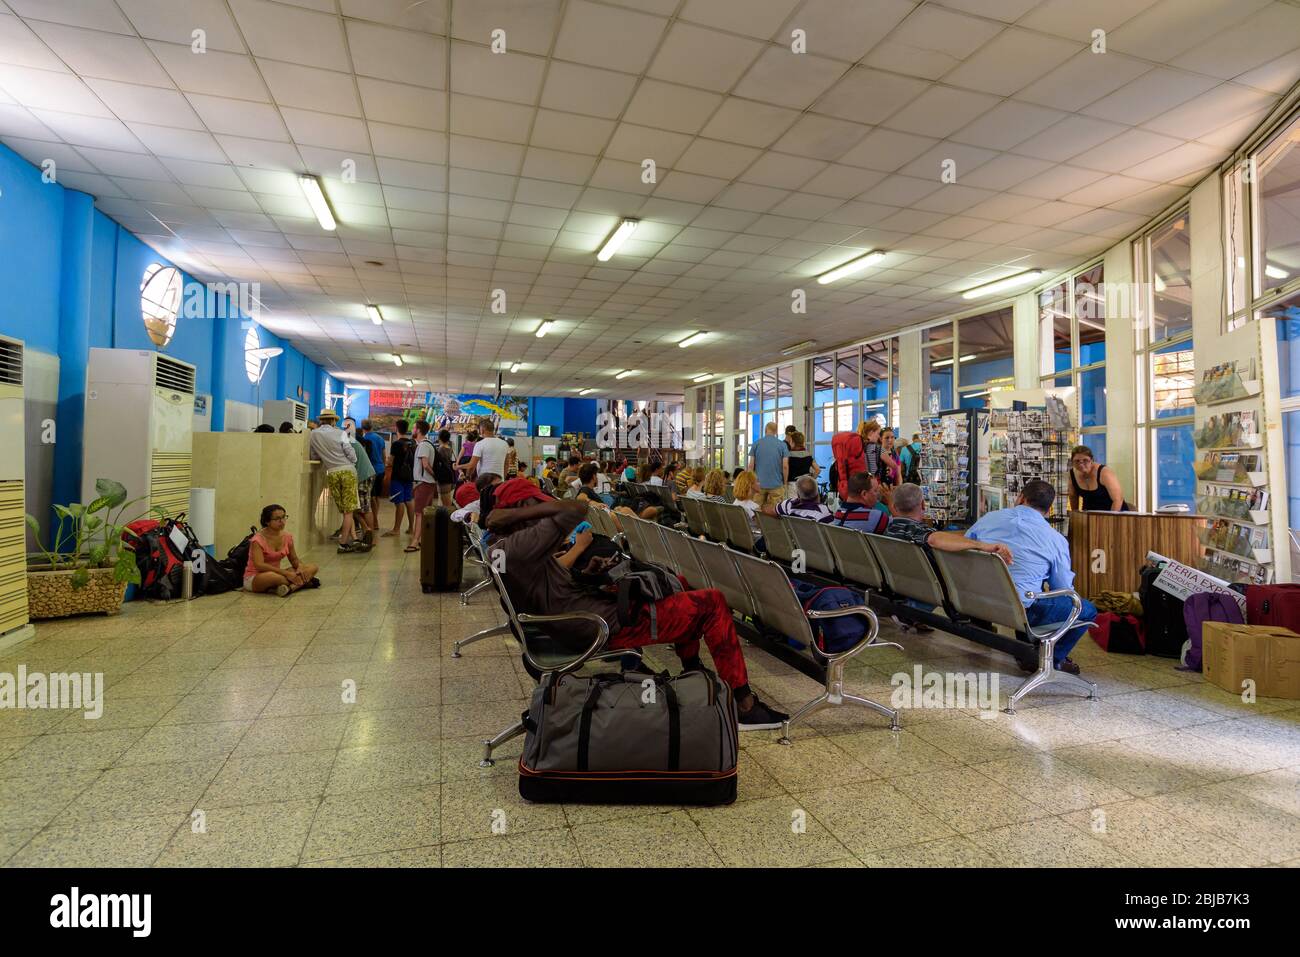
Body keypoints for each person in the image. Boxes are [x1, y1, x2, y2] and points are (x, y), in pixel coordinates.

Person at [485, 480, 789, 730]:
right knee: (712, 602)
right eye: (535, 504)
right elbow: (578, 508)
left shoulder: (505, 546)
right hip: (599, 626)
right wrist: (517, 514)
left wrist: (585, 571)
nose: (543, 508)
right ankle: (744, 704)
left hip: (576, 617)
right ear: (524, 510)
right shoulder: (518, 543)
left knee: (678, 583)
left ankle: (693, 676)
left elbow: (544, 582)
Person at [966, 479, 1097, 675]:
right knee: (1086, 608)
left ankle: (1026, 650)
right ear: (1049, 508)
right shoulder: (1055, 539)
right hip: (1019, 610)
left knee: (1026, 588)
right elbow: (1062, 589)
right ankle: (1050, 659)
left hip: (976, 600)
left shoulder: (989, 518)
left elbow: (965, 547)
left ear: (1021, 498)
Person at [885, 482, 1012, 629]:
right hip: (929, 587)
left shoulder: (892, 528)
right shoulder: (917, 530)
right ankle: (977, 624)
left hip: (903, 582)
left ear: (894, 507)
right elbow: (933, 539)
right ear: (923, 505)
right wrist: (981, 545)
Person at [309, 408, 366, 554]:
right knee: (349, 510)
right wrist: (352, 460)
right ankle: (343, 544)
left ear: (321, 420)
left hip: (332, 473)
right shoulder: (341, 433)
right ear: (334, 420)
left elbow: (314, 456)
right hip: (347, 471)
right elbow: (351, 454)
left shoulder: (313, 434)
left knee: (345, 510)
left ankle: (354, 538)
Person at [244, 504, 320, 595]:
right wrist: (286, 573)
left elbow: (294, 559)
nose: (282, 521)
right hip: (257, 577)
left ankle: (290, 588)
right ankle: (304, 582)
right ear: (267, 522)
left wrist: (300, 567)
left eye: (284, 517)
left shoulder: (287, 537)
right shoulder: (257, 540)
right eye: (277, 519)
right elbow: (260, 565)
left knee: (313, 567)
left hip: (278, 573)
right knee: (274, 577)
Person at [407, 419, 438, 553]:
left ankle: (415, 542)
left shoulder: (423, 445)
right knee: (424, 513)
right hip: (428, 483)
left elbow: (425, 465)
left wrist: (434, 475)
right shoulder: (428, 444)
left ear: (418, 430)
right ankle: (421, 539)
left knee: (419, 513)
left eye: (414, 428)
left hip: (424, 483)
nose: (412, 430)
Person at [385, 418, 416, 538]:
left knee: (399, 502)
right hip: (409, 476)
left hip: (397, 476)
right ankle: (411, 527)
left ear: (397, 429)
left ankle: (396, 529)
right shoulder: (412, 443)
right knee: (409, 500)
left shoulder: (396, 444)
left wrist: (388, 460)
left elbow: (390, 462)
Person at [1070, 445, 1126, 512]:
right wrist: (1075, 516)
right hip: (1089, 516)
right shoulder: (1072, 474)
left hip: (1114, 513)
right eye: (1077, 461)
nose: (1081, 464)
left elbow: (1118, 499)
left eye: (1085, 460)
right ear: (1072, 461)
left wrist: (1109, 520)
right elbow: (1073, 497)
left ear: (1092, 460)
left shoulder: (1104, 472)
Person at [748, 421, 789, 508]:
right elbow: (785, 466)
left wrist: (750, 482)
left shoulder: (756, 444)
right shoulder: (782, 445)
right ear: (776, 431)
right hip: (777, 484)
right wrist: (785, 483)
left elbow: (750, 465)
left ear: (765, 430)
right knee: (775, 511)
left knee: (755, 510)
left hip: (758, 484)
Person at [348, 431, 377, 545]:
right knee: (357, 507)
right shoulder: (349, 440)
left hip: (363, 476)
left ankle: (370, 536)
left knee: (363, 508)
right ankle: (367, 532)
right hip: (366, 474)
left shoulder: (346, 442)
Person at [359, 419, 386, 535]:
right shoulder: (380, 438)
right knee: (376, 497)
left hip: (370, 470)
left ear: (362, 427)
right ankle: (375, 519)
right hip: (380, 469)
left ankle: (374, 521)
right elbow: (384, 455)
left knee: (371, 497)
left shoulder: (365, 439)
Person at [785, 430, 817, 497]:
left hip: (793, 485)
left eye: (790, 441)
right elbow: (818, 470)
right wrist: (812, 479)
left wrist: (784, 483)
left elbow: (785, 468)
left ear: (793, 442)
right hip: (806, 485)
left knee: (792, 506)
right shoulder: (808, 454)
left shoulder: (788, 455)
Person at [433, 429, 456, 506]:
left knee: (445, 502)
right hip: (449, 474)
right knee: (447, 500)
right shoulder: (449, 448)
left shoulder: (441, 449)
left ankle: (448, 517)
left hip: (443, 476)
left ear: (439, 437)